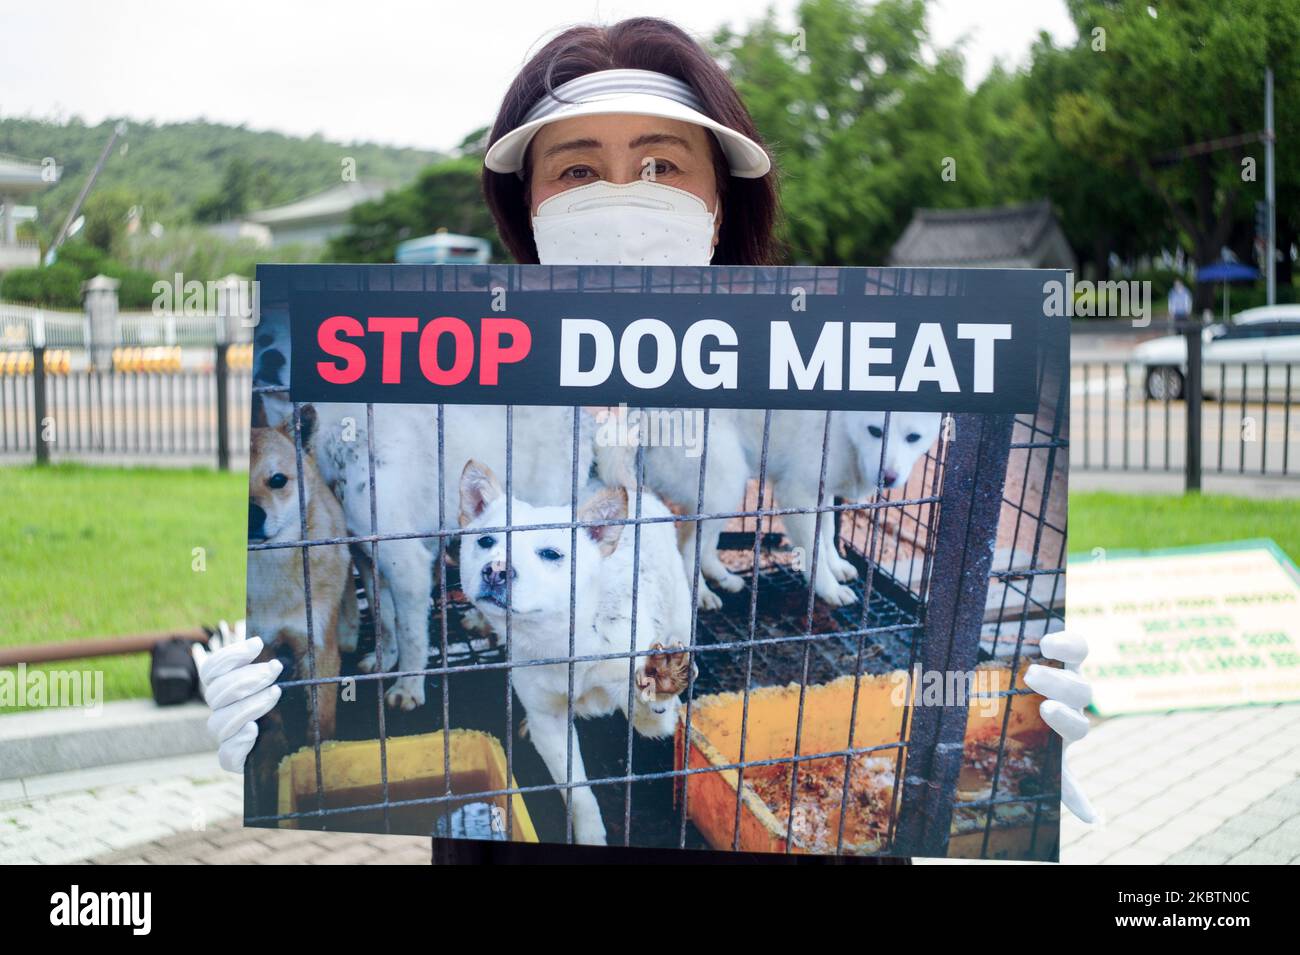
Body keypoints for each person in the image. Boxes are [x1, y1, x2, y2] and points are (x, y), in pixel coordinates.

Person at [202, 17, 1094, 864]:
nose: (625, 194)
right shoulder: (472, 359)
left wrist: (1014, 782)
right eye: (579, 171)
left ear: (719, 197)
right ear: (528, 203)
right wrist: (241, 755)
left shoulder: (793, 340)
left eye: (663, 164)